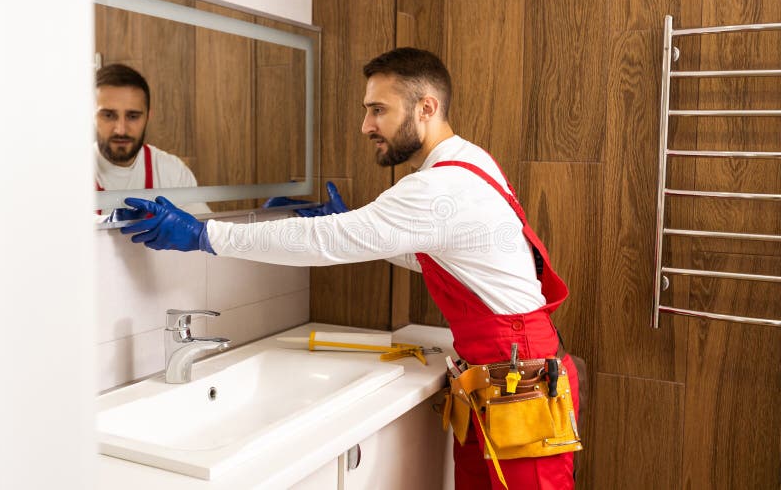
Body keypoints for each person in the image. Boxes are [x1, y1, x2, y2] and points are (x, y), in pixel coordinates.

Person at [119, 48, 580, 489]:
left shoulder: (441, 186)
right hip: (503, 374)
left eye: (379, 110)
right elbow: (448, 255)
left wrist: (206, 235)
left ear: (426, 107)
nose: (366, 125)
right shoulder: (468, 161)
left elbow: (324, 243)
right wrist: (356, 230)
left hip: (520, 382)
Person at [94, 63, 209, 215]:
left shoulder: (173, 172)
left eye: (133, 116)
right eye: (108, 115)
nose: (121, 129)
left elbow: (201, 232)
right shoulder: (67, 173)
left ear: (148, 116)